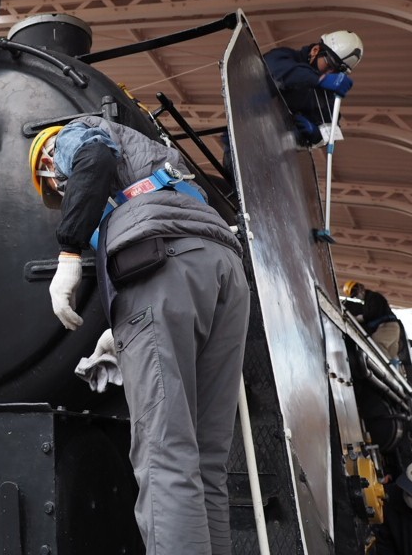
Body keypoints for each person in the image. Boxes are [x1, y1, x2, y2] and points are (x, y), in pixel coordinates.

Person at [29, 117, 250, 555]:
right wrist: (122, 332)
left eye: (54, 187)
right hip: (225, 270)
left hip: (164, 265)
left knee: (164, 452)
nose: (59, 191)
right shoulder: (162, 161)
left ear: (48, 163)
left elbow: (94, 157)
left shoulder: (73, 135)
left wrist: (69, 251)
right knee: (207, 461)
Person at [264, 30, 363, 146]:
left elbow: (333, 133)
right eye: (329, 65)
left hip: (268, 144)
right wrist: (319, 80)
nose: (329, 73)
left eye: (335, 71)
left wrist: (317, 135)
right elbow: (275, 69)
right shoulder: (284, 56)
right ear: (315, 50)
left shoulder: (325, 97)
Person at [342, 280, 402, 362]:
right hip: (393, 328)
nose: (357, 297)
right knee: (392, 353)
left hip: (387, 326)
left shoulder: (373, 297)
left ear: (360, 289)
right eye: (354, 296)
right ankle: (396, 368)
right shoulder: (369, 301)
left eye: (356, 294)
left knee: (376, 344)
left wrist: (359, 318)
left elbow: (372, 313)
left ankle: (386, 365)